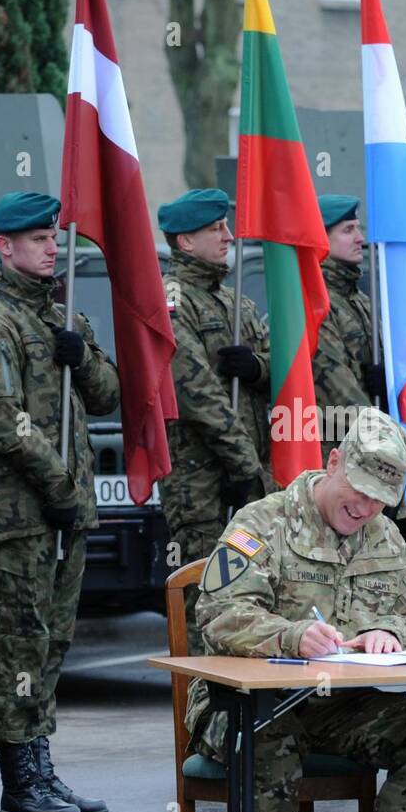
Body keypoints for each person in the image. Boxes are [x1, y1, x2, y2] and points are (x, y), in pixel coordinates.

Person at [188, 408, 406, 812]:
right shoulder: (262, 522)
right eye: (359, 490)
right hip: (245, 705)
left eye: (381, 500)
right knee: (269, 736)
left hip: (339, 704)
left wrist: (392, 633)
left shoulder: (383, 535)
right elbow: (218, 612)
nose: (365, 508)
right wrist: (290, 636)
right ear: (333, 462)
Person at [0, 191, 120, 812]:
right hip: (23, 515)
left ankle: (42, 767)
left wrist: (81, 357)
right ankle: (19, 780)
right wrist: (57, 488)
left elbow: (107, 397)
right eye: (39, 240)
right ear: (5, 246)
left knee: (51, 642)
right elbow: (2, 421)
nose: (54, 248)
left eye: (55, 238)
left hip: (64, 512)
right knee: (16, 645)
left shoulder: (65, 315)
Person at [157, 188, 272, 568]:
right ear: (186, 241)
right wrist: (244, 464)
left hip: (250, 477)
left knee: (251, 591)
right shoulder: (170, 301)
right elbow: (195, 392)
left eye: (227, 225)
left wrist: (256, 368)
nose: (229, 236)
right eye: (216, 228)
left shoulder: (237, 302)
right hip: (201, 481)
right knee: (203, 595)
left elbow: (283, 367)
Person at [313, 194, 384, 451]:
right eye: (348, 230)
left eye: (358, 228)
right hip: (336, 448)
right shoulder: (316, 302)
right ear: (321, 239)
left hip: (364, 442)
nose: (360, 239)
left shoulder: (356, 298)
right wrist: (384, 440)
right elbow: (338, 388)